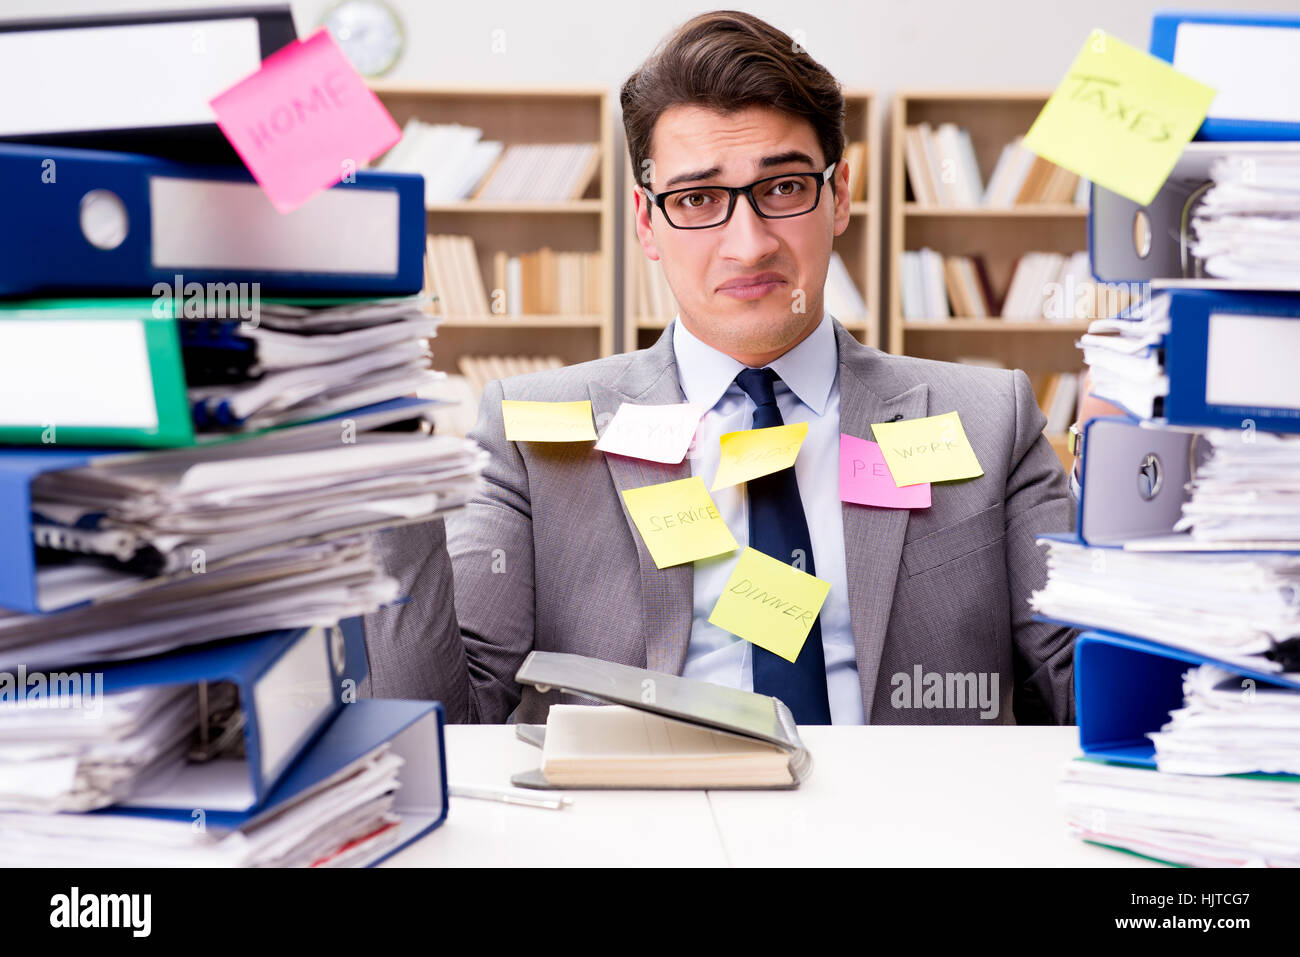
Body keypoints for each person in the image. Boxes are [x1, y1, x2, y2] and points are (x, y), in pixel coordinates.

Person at [361, 10, 1082, 725]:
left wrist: (1137, 466)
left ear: (840, 196)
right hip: (644, 828)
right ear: (646, 221)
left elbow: (1082, 694)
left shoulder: (992, 418)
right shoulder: (533, 434)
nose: (748, 244)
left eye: (784, 188)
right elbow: (444, 721)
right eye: (698, 198)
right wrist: (380, 448)